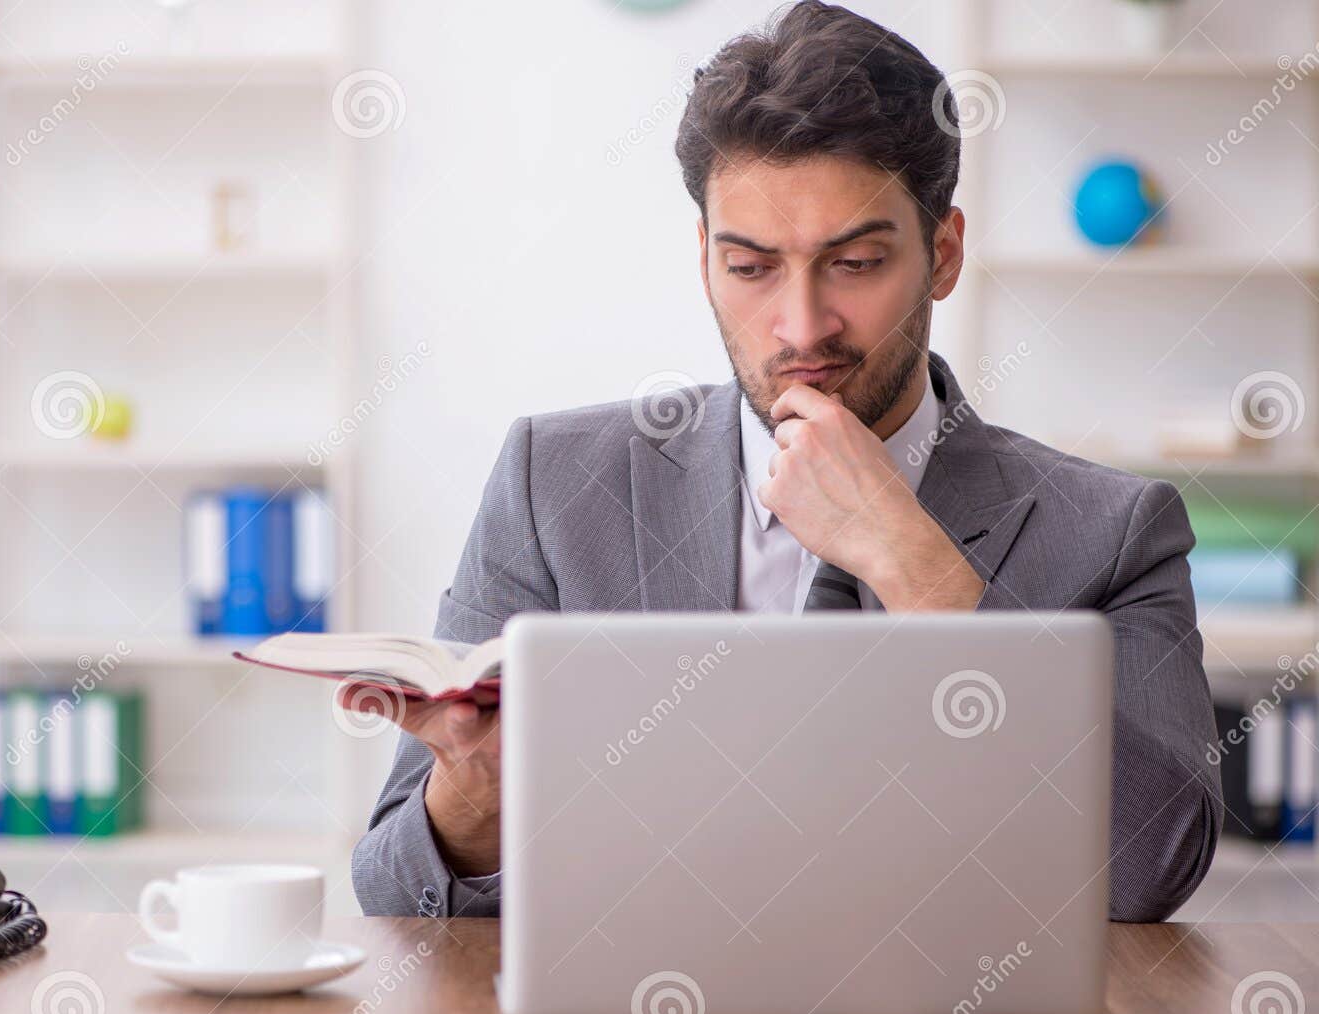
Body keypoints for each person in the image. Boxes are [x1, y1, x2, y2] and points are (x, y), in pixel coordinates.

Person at [348, 0, 1221, 923]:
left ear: (943, 253)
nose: (802, 328)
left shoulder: (1113, 533)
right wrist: (477, 796)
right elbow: (391, 892)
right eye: (752, 267)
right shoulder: (555, 485)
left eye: (854, 262)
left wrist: (915, 565)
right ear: (705, 259)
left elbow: (1151, 871)